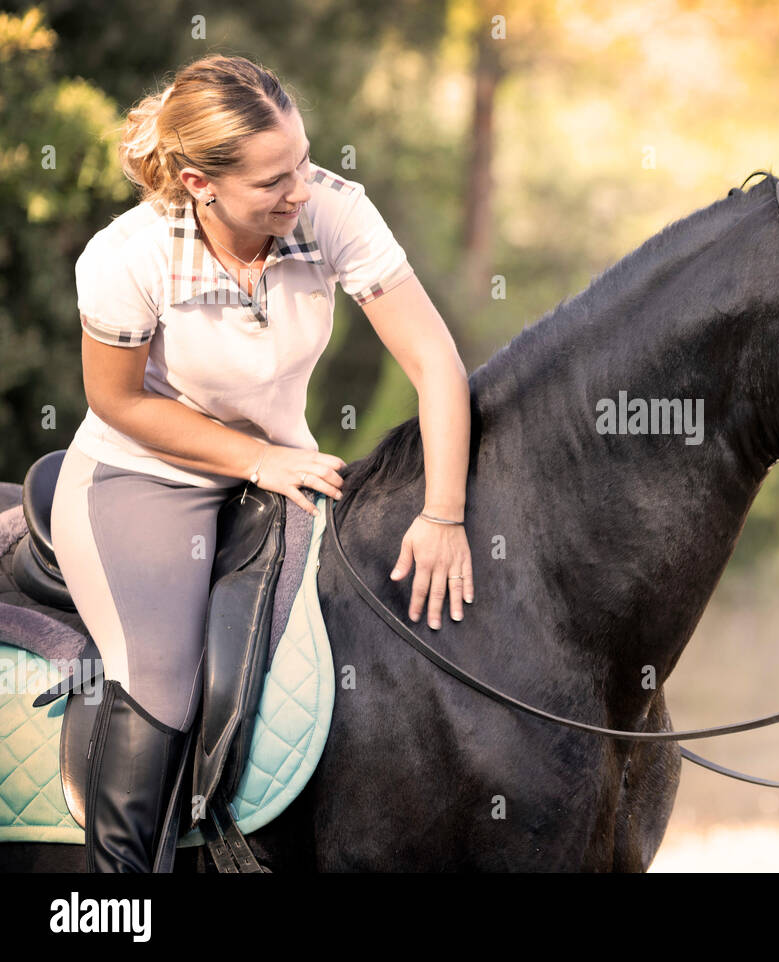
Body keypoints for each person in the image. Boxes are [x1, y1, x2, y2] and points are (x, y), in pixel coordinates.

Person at [49, 53, 474, 872]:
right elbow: (119, 402)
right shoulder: (127, 256)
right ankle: (115, 896)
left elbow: (435, 364)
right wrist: (252, 457)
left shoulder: (333, 211)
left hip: (286, 468)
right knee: (164, 680)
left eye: (303, 162)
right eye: (273, 181)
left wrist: (445, 512)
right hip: (144, 474)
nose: (301, 191)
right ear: (200, 183)